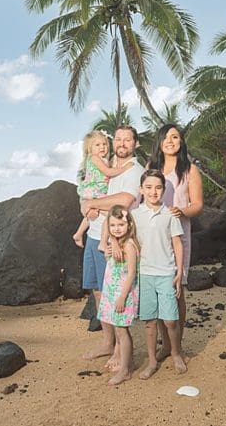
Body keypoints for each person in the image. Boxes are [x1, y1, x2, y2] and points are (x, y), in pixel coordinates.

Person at [80, 125, 145, 363]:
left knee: (113, 292)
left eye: (127, 140)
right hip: (94, 235)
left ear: (135, 144)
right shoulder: (105, 166)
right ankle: (108, 343)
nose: (121, 143)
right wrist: (85, 205)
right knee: (97, 291)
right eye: (118, 139)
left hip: (116, 239)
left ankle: (120, 348)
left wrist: (93, 203)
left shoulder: (133, 169)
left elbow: (125, 201)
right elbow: (86, 195)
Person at [147, 124, 204, 357]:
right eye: (166, 137)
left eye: (175, 137)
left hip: (179, 235)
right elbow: (141, 198)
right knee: (158, 289)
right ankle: (165, 343)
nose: (171, 141)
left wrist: (181, 211)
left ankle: (177, 345)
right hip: (154, 237)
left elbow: (198, 205)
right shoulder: (151, 167)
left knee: (177, 288)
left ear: (181, 141)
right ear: (159, 142)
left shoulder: (189, 170)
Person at [132, 169, 187, 379]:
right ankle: (152, 361)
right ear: (141, 190)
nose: (153, 192)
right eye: (148, 187)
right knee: (149, 321)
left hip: (166, 273)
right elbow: (128, 239)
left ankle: (175, 352)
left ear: (163, 190)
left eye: (157, 188)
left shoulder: (169, 214)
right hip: (145, 274)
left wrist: (179, 271)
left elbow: (177, 243)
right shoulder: (135, 215)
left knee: (171, 320)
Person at [96, 205, 139, 385]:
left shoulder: (129, 245)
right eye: (113, 225)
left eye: (120, 225)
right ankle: (125, 362)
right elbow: (112, 265)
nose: (116, 229)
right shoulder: (116, 243)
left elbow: (131, 273)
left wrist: (122, 297)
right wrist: (108, 252)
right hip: (112, 291)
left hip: (123, 293)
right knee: (117, 328)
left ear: (129, 225)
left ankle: (125, 370)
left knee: (122, 331)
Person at [72, 130, 133, 249]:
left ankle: (79, 234)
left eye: (104, 144)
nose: (102, 147)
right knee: (110, 214)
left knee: (97, 213)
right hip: (94, 190)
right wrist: (125, 168)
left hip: (96, 191)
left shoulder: (104, 160)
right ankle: (103, 242)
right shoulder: (94, 158)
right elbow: (108, 172)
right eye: (97, 145)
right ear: (89, 149)